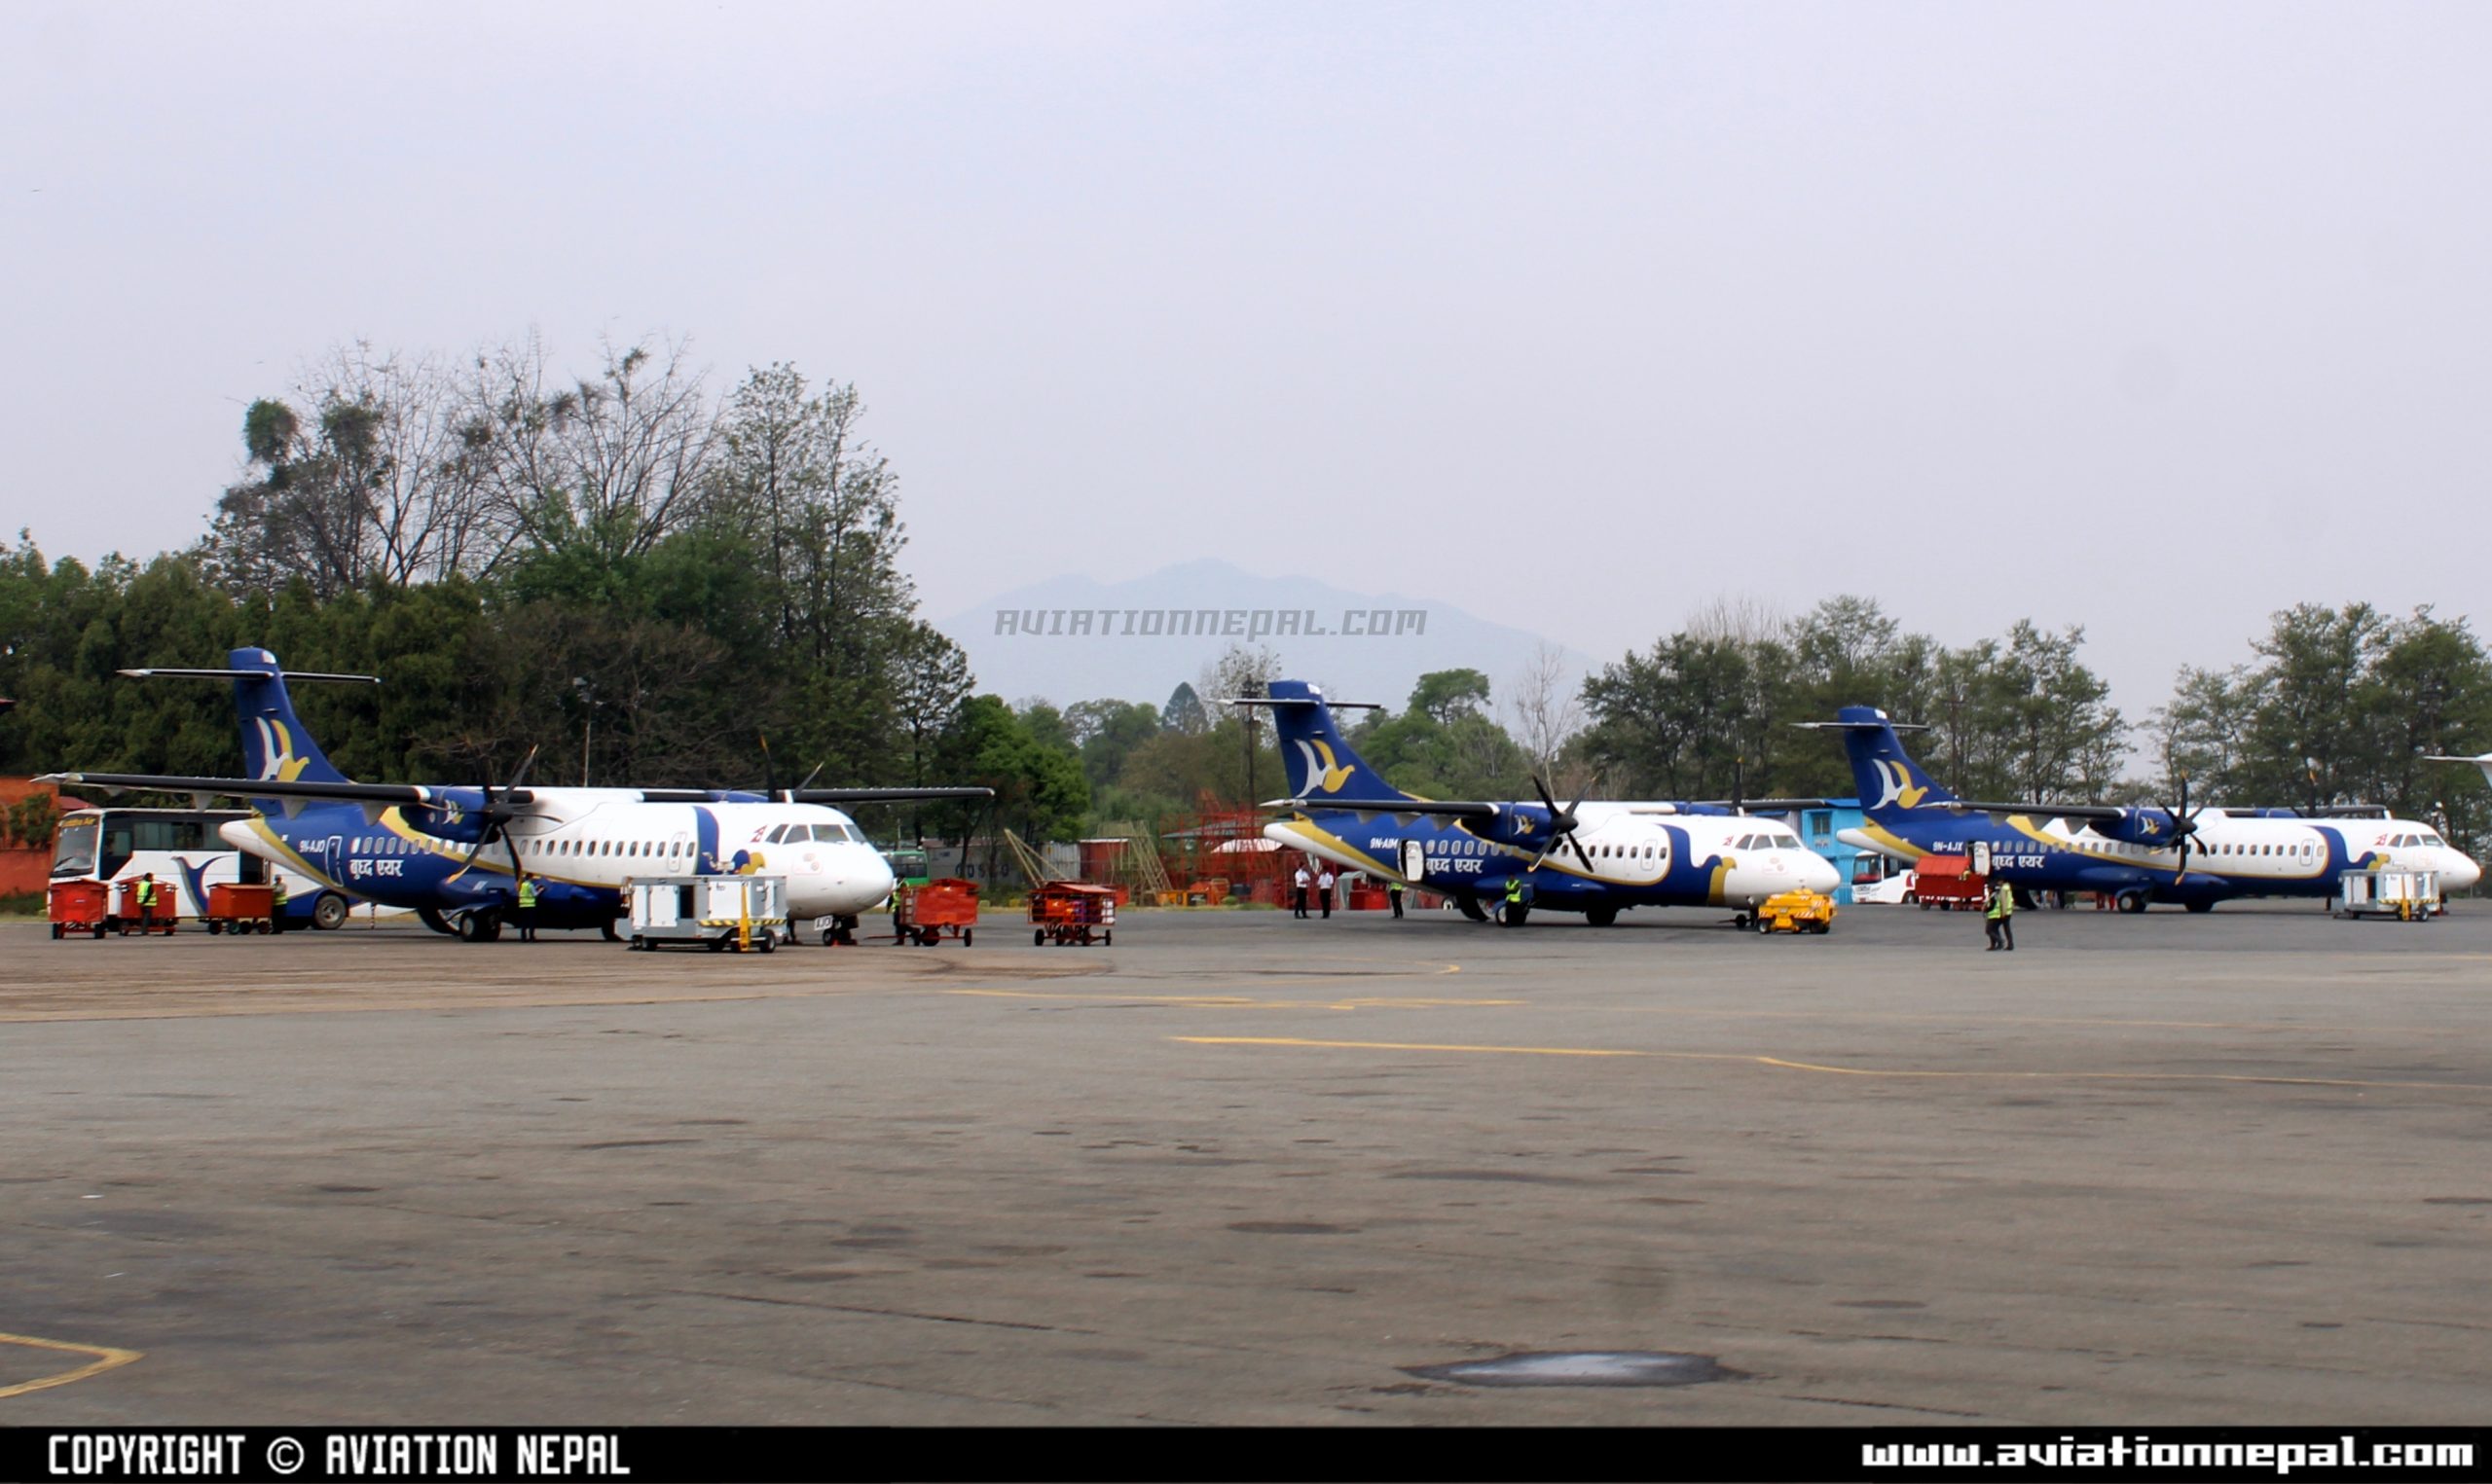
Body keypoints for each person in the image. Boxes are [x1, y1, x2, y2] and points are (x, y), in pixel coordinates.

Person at [1986, 877, 2015, 951]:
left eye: (1998, 882)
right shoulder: (2008, 888)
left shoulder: (2003, 890)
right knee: (2006, 929)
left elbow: (2003, 902)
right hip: (2008, 912)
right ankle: (2009, 944)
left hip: (2002, 913)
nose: (1998, 883)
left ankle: (2000, 942)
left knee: (1992, 929)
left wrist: (2003, 912)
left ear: (2002, 881)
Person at [515, 873, 539, 942]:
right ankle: (531, 938)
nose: (533, 879)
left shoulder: (522, 885)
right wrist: (539, 890)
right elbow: (535, 894)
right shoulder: (530, 885)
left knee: (524, 922)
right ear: (530, 878)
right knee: (531, 922)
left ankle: (523, 938)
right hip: (530, 905)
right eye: (532, 878)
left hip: (522, 905)